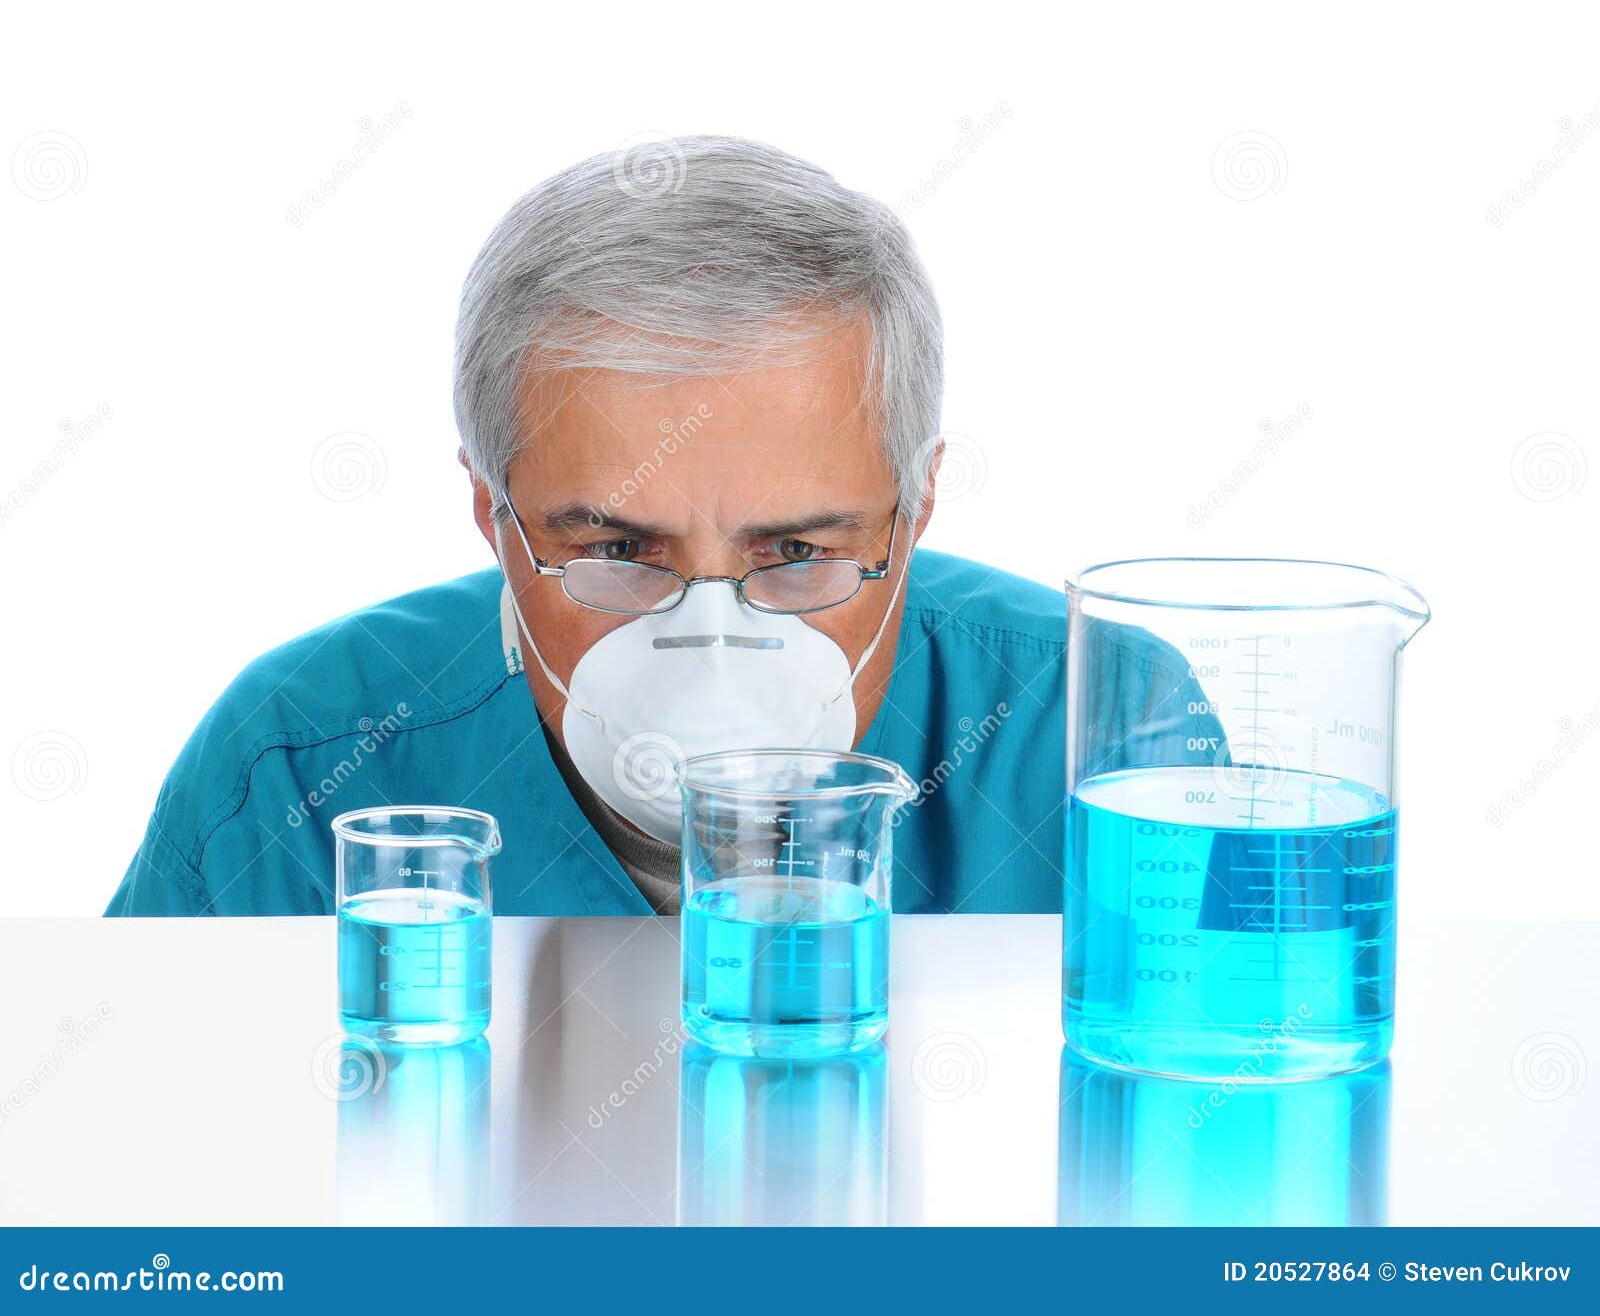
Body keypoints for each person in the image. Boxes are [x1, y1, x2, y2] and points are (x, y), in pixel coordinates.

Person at [109, 136, 1209, 917]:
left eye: (795, 555)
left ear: (912, 512)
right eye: (619, 553)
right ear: (493, 515)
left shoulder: (1095, 731)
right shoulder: (299, 771)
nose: (714, 644)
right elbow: (140, 1205)